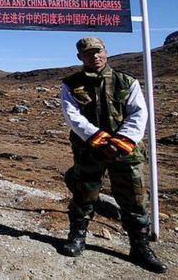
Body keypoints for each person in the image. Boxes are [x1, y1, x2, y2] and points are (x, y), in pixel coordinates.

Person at [60, 37, 166, 273]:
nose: (94, 56)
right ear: (80, 57)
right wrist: (99, 139)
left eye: (98, 51)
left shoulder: (126, 81)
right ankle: (77, 237)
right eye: (88, 53)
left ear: (106, 52)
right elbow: (72, 116)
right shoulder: (70, 84)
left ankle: (140, 247)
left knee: (135, 199)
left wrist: (119, 142)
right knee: (83, 194)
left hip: (125, 152)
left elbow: (138, 113)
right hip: (89, 150)